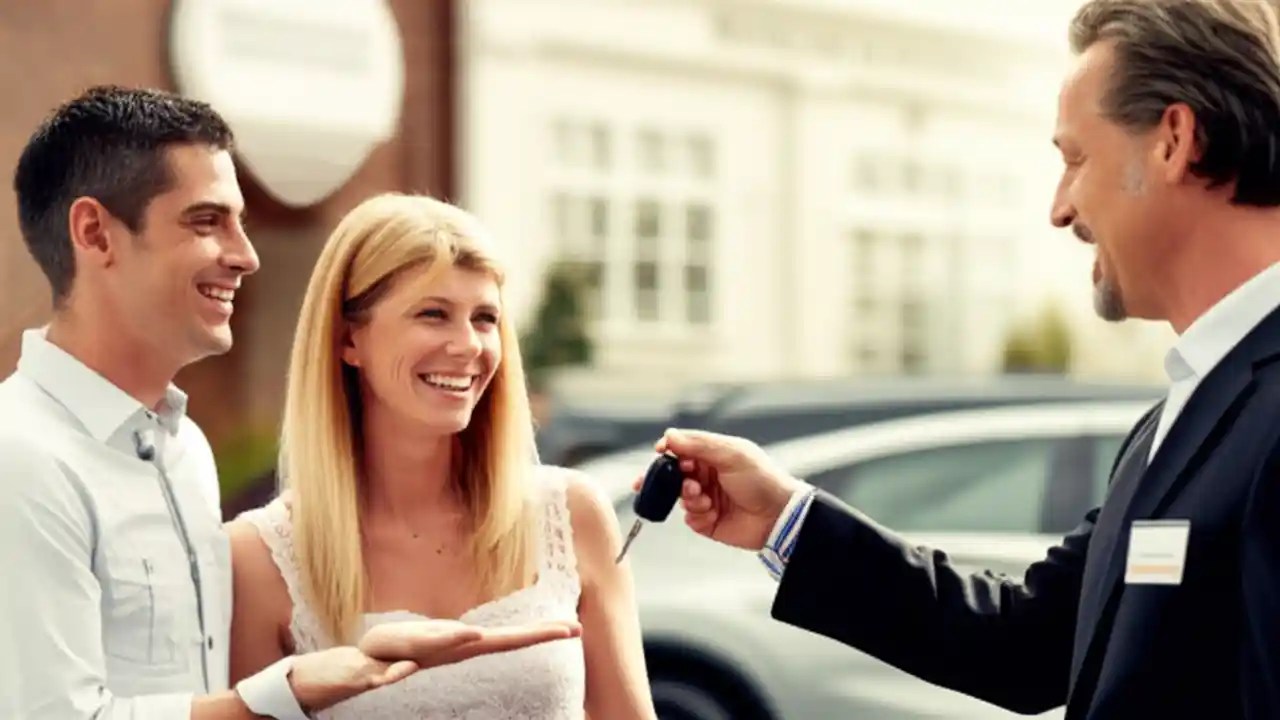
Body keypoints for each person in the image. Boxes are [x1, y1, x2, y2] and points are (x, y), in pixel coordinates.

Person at [643, 1, 1280, 718]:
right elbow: (1028, 644)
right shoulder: (1186, 410)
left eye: (1076, 158)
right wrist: (787, 519)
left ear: (1172, 139)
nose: (1059, 207)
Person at [0, 85, 579, 720]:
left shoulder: (182, 451)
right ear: (95, 233)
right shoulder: (21, 456)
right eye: (207, 220)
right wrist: (294, 688)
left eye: (240, 222)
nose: (245, 255)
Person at [225, 192, 657, 719]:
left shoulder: (571, 513)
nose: (468, 345)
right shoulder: (257, 559)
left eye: (484, 318)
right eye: (433, 314)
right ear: (348, 340)